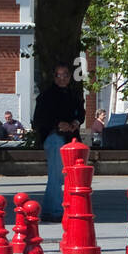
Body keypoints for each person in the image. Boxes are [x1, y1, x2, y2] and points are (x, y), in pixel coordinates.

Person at [32, 62, 84, 223]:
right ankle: (53, 209)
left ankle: (55, 208)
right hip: (55, 137)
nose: (62, 78)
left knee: (66, 176)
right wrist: (57, 124)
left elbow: (80, 113)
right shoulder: (47, 95)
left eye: (65, 75)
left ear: (69, 77)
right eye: (59, 75)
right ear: (54, 77)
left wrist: (76, 122)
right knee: (56, 175)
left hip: (71, 138)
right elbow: (40, 119)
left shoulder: (73, 94)